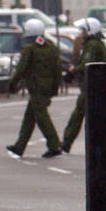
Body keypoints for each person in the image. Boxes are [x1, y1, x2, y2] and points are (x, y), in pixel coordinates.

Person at [6, 18, 63, 158]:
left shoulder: (29, 49)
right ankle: (19, 146)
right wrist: (55, 88)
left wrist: (13, 83)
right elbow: (57, 69)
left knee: (42, 118)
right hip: (47, 87)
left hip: (36, 87)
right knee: (29, 118)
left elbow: (21, 68)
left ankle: (54, 144)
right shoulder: (50, 47)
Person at [61, 17, 106, 153]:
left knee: (78, 115)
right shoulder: (94, 44)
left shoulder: (92, 45)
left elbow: (87, 64)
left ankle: (67, 142)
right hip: (94, 86)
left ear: (90, 31)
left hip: (91, 87)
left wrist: (72, 72)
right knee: (93, 116)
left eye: (83, 30)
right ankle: (97, 144)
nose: (81, 33)